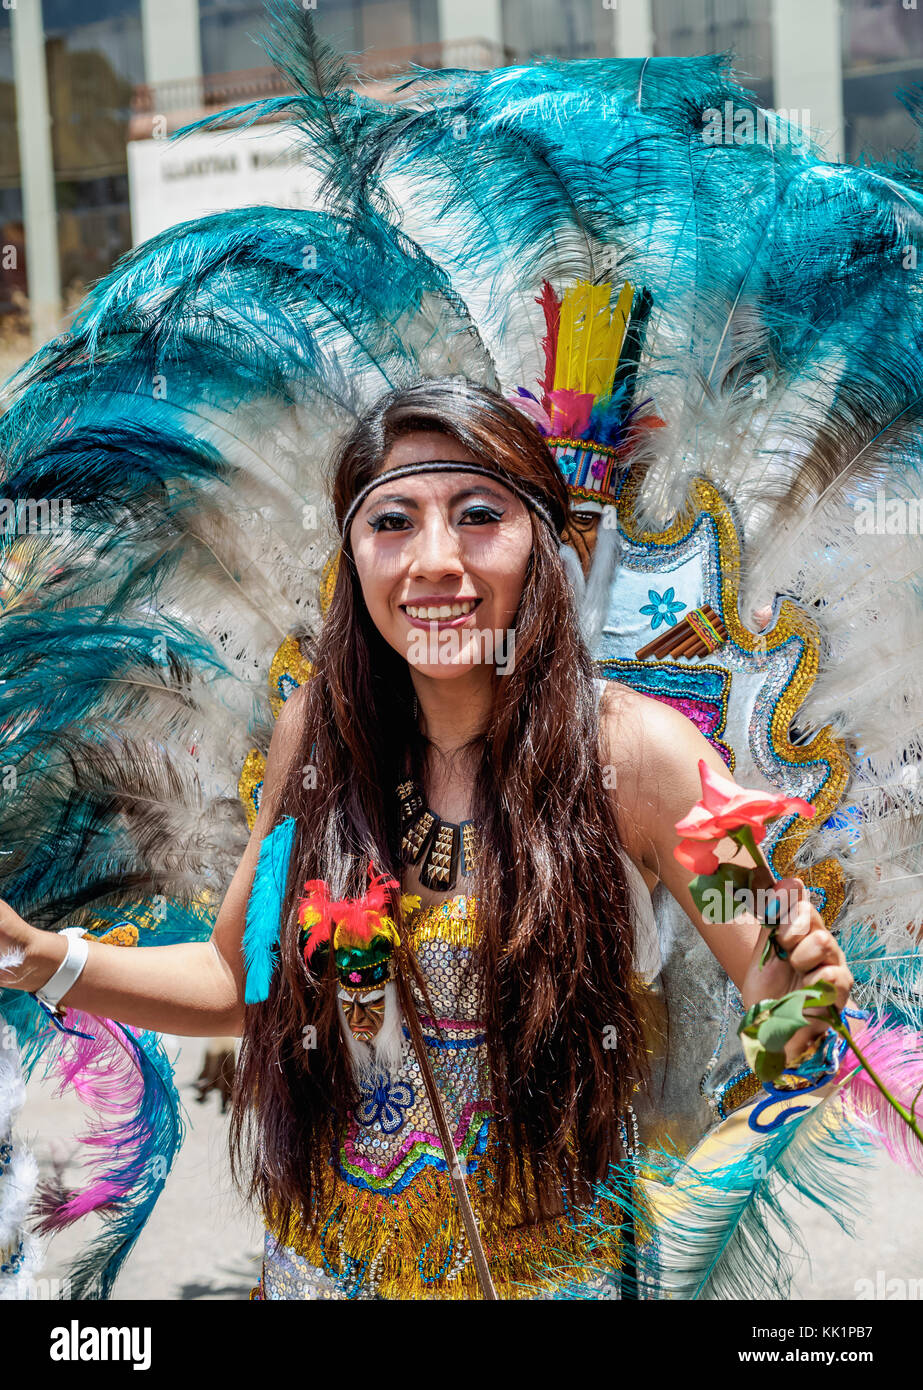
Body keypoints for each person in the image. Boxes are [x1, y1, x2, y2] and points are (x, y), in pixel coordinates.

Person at [0, 379, 854, 1300]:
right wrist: (39, 957)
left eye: (478, 516)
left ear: (544, 548)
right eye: (393, 522)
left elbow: (773, 1005)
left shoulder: (644, 756)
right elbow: (244, 982)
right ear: (354, 557)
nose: (434, 561)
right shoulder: (315, 741)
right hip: (320, 1274)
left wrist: (789, 1003)